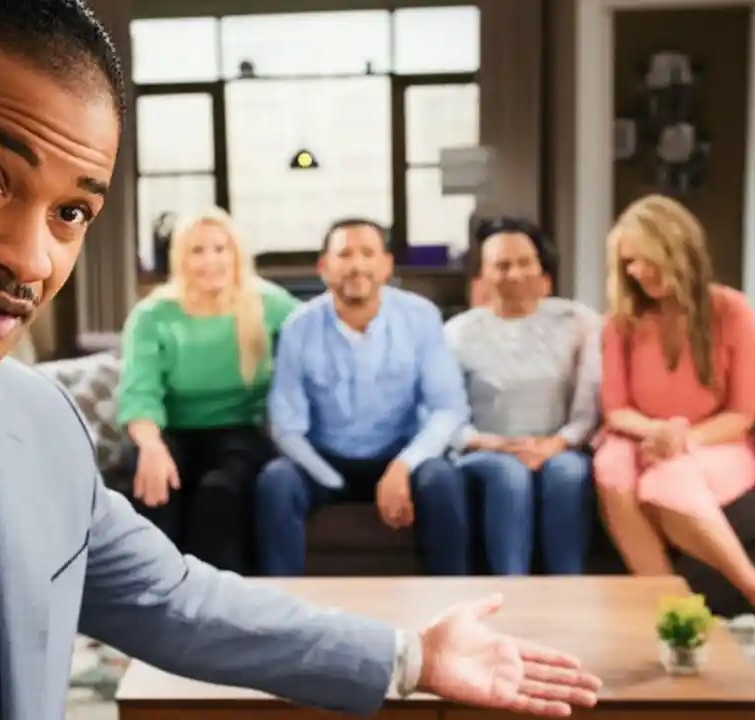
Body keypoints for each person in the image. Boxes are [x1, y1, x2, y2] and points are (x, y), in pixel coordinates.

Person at [0, 2, 601, 718]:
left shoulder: (31, 419)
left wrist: (407, 655)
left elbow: (172, 598)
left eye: (72, 212)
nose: (30, 257)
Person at [593, 194, 755, 652]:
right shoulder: (620, 324)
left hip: (718, 440)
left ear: (677, 251)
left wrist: (684, 438)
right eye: (627, 263)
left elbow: (742, 414)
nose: (634, 272)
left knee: (664, 485)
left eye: (644, 260)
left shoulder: (731, 311)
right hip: (640, 435)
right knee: (613, 472)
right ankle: (677, 612)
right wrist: (656, 432)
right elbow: (616, 408)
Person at [256, 218, 469, 576]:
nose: (357, 266)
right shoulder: (298, 327)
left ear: (386, 265)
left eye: (368, 253)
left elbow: (448, 408)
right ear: (324, 268)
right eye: (344, 254)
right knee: (276, 481)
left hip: (399, 456)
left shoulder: (420, 317)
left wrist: (403, 466)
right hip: (324, 461)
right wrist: (332, 481)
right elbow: (286, 427)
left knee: (442, 480)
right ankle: (283, 614)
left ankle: (452, 609)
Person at [117, 207, 299, 574]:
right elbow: (140, 393)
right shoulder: (153, 315)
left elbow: (319, 335)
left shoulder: (269, 304)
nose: (210, 261)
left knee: (220, 491)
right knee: (152, 482)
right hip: (167, 431)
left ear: (237, 255)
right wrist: (152, 448)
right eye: (197, 251)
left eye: (221, 249)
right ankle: (150, 595)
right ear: (180, 259)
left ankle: (220, 606)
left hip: (239, 431)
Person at [442, 218, 599, 576]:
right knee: (508, 475)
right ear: (482, 274)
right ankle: (510, 592)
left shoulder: (579, 322)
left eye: (525, 262)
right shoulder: (456, 334)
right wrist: (492, 444)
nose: (514, 274)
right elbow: (445, 414)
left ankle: (568, 592)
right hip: (484, 451)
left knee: (568, 475)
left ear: (543, 269)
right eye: (501, 265)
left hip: (560, 447)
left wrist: (556, 444)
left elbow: (589, 407)